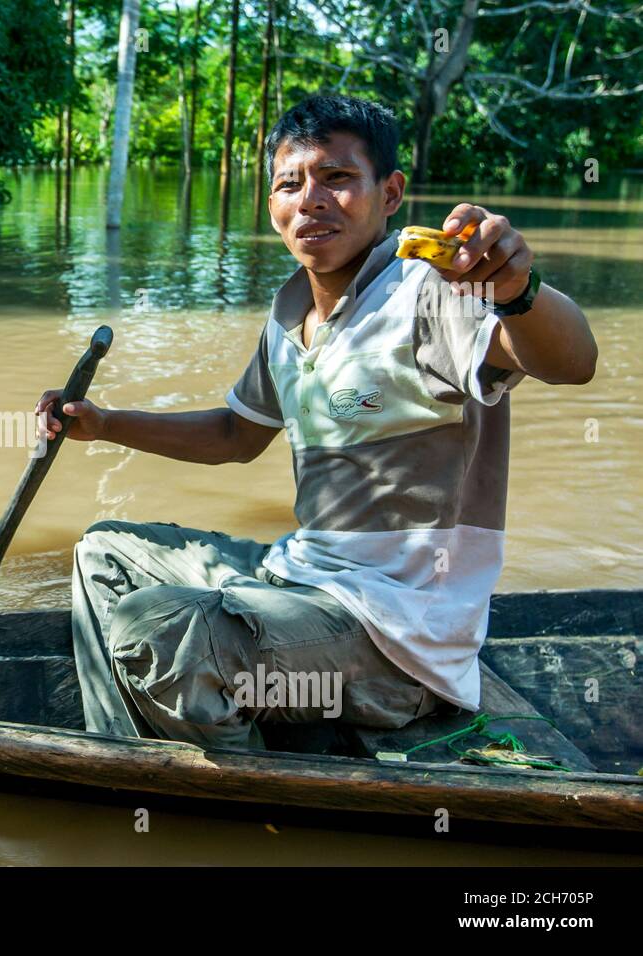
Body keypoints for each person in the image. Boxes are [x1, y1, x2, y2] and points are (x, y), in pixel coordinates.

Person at [36, 94, 597, 750]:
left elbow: (573, 361)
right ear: (271, 205)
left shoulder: (432, 290)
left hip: (396, 638)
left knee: (156, 632)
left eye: (337, 179)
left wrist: (517, 291)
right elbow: (235, 436)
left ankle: (236, 794)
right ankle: (147, 756)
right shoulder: (291, 314)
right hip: (300, 580)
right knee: (103, 551)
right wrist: (106, 425)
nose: (311, 199)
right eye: (289, 183)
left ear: (390, 194)